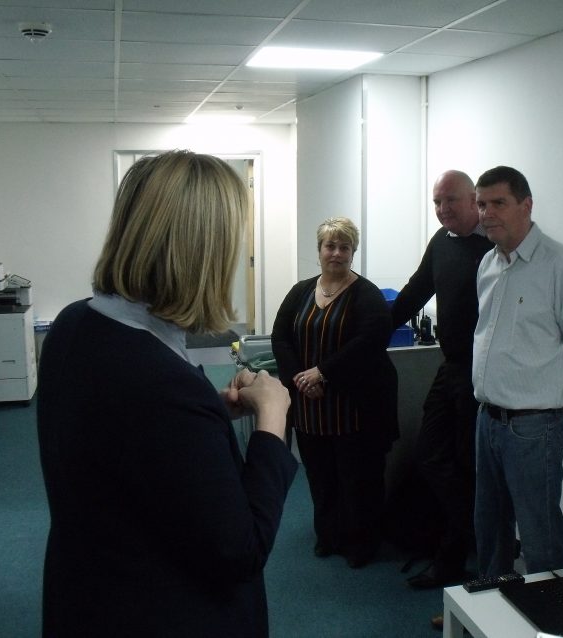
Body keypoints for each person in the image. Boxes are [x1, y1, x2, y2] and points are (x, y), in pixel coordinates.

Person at [37, 151, 298, 637]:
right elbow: (240, 551)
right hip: (164, 611)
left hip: (89, 594)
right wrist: (272, 425)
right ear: (202, 250)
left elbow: (122, 443)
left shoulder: (75, 324)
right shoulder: (161, 384)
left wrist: (205, 419)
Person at [472, 166, 563, 578]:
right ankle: (486, 612)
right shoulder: (488, 264)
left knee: (539, 535)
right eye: (481, 204)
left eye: (498, 203)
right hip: (487, 419)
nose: (487, 213)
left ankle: (550, 621)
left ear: (526, 205)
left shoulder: (562, 265)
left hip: (533, 426)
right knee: (490, 529)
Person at [271, 217, 398, 569]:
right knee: (319, 474)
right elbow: (280, 336)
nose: (337, 253)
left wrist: (323, 374)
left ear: (353, 252)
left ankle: (361, 543)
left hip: (354, 406)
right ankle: (328, 535)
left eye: (344, 247)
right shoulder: (301, 291)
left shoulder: (367, 295)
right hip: (309, 406)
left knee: (358, 479)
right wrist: (300, 378)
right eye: (330, 246)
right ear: (319, 251)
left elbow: (371, 342)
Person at [390, 170, 494, 589]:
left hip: (482, 376)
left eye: (450, 200)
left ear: (474, 200)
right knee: (431, 457)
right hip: (449, 368)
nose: (443, 210)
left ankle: (454, 560)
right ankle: (469, 536)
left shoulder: (493, 247)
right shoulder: (441, 243)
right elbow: (415, 292)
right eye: (437, 203)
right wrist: (368, 332)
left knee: (467, 469)